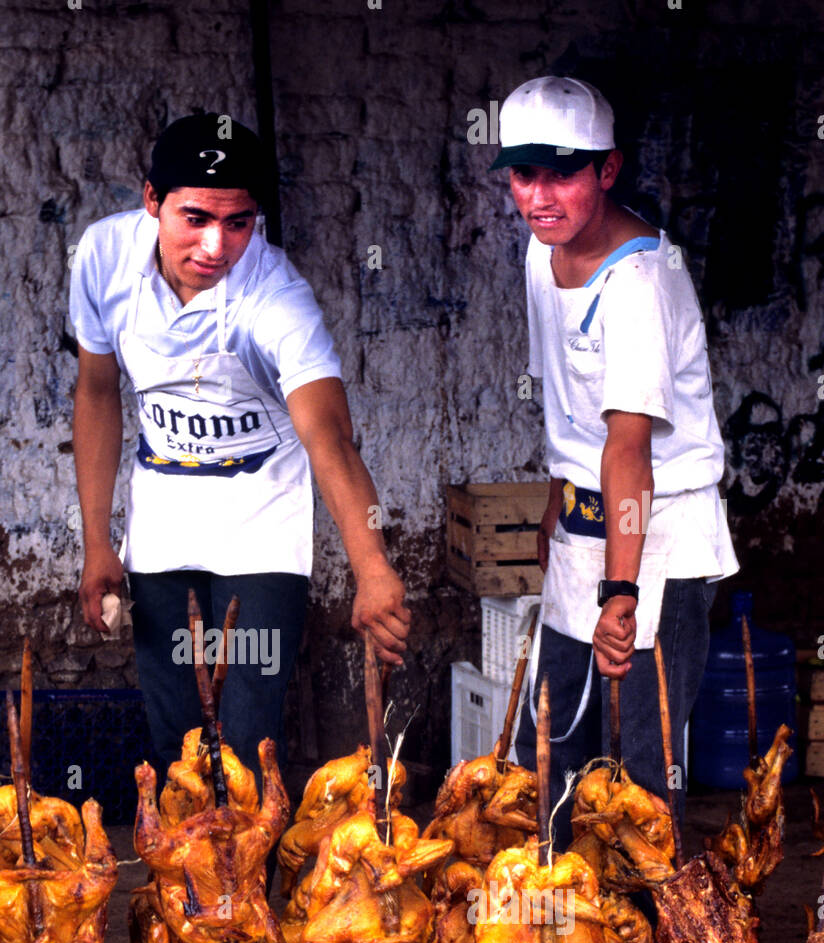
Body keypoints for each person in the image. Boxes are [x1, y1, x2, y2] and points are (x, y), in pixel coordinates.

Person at [69, 113, 408, 778]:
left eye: (239, 222)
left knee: (248, 739)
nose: (216, 245)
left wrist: (371, 566)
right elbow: (97, 393)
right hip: (163, 522)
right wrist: (96, 542)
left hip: (259, 530)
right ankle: (185, 884)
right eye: (194, 217)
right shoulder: (101, 258)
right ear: (150, 201)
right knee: (176, 738)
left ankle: (244, 882)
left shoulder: (276, 298)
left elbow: (329, 438)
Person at [490, 76, 738, 836]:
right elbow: (569, 409)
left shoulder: (637, 282)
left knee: (636, 777)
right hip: (586, 523)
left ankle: (647, 939)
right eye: (523, 174)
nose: (539, 196)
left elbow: (629, 451)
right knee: (554, 747)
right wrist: (555, 506)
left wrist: (620, 592)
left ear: (607, 168)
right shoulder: (544, 253)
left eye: (562, 173)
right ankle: (560, 932)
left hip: (655, 536)